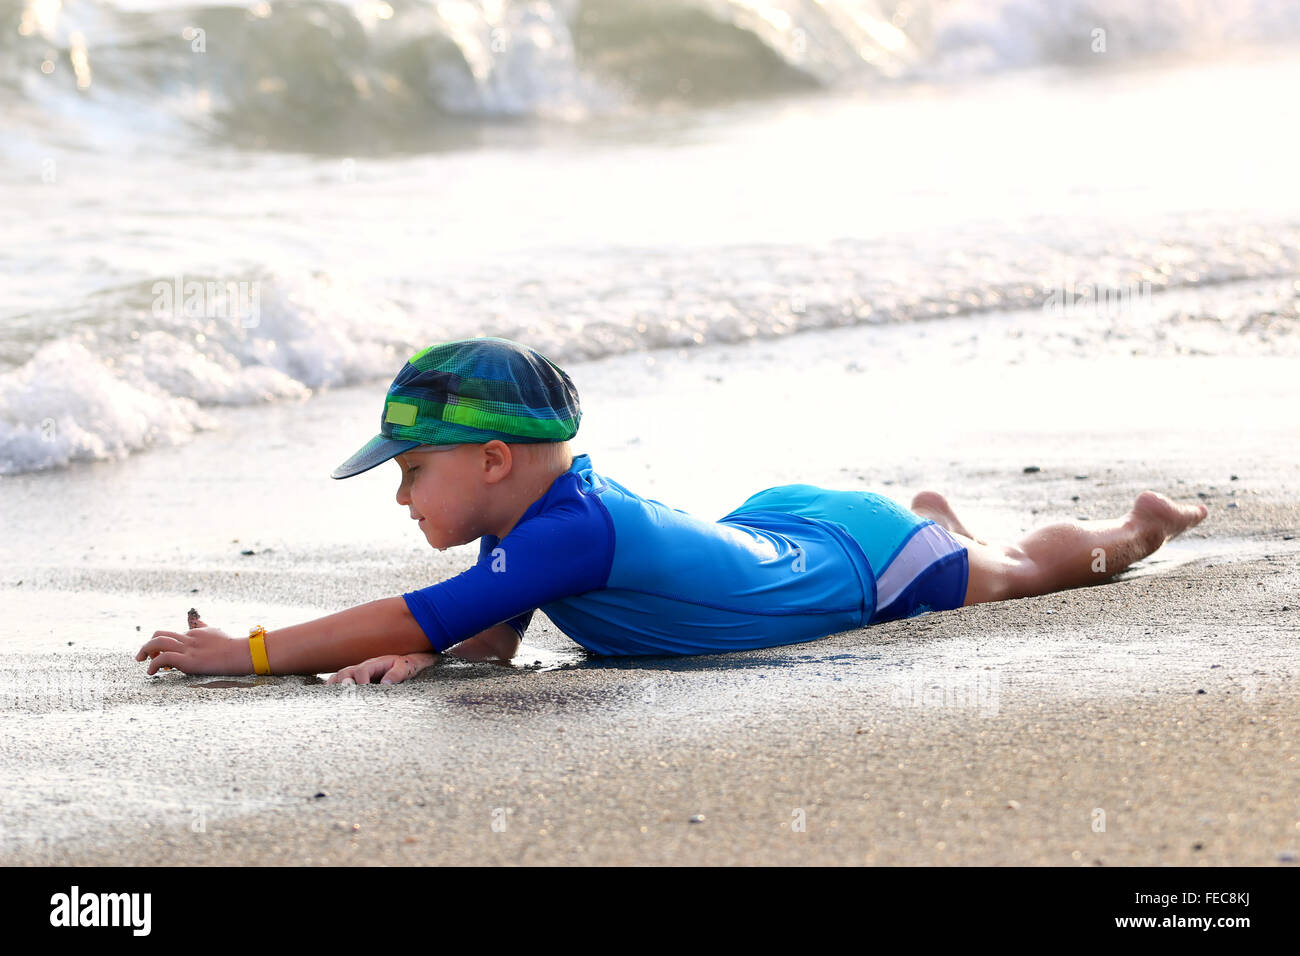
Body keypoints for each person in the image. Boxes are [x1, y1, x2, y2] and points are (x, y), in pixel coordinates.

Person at [136, 337, 1208, 683]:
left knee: (1013, 568)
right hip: (786, 518)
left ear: (498, 460)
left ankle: (1135, 527)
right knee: (952, 538)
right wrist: (454, 650)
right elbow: (484, 617)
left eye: (411, 468)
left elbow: (411, 610)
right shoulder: (540, 523)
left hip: (863, 562)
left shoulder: (569, 529)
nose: (403, 491)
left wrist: (249, 651)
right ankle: (932, 512)